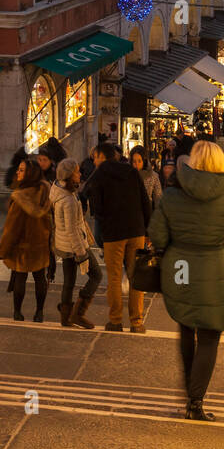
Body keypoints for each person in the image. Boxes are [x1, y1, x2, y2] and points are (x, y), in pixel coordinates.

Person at [148, 140, 224, 420]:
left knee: (187, 326)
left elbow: (158, 234)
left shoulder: (173, 193)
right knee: (209, 334)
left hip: (180, 268)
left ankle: (189, 390)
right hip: (212, 268)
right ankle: (195, 401)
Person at [85, 141, 151, 333]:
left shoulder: (100, 175)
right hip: (136, 230)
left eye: (96, 157)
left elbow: (97, 207)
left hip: (114, 233)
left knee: (114, 278)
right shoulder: (131, 171)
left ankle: (115, 321)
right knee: (135, 277)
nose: (94, 160)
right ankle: (136, 322)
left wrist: (104, 228)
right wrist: (147, 230)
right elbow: (145, 201)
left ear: (102, 157)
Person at [0, 157, 53, 322]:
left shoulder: (20, 197)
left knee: (20, 277)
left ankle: (18, 312)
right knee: (39, 278)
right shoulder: (45, 192)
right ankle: (39, 312)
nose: (17, 172)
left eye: (21, 170)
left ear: (29, 174)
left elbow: (11, 228)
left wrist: (3, 249)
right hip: (41, 244)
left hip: (23, 246)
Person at [50, 159, 101, 328]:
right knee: (96, 275)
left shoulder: (59, 189)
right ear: (70, 175)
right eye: (77, 172)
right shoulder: (69, 200)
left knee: (69, 281)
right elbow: (72, 230)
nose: (80, 174)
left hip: (64, 245)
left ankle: (65, 317)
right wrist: (82, 254)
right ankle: (77, 314)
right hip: (74, 246)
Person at [130, 146, 162, 211]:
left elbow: (158, 198)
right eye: (134, 161)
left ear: (144, 161)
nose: (137, 164)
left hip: (147, 211)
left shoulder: (153, 176)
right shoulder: (127, 174)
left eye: (139, 161)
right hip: (131, 211)